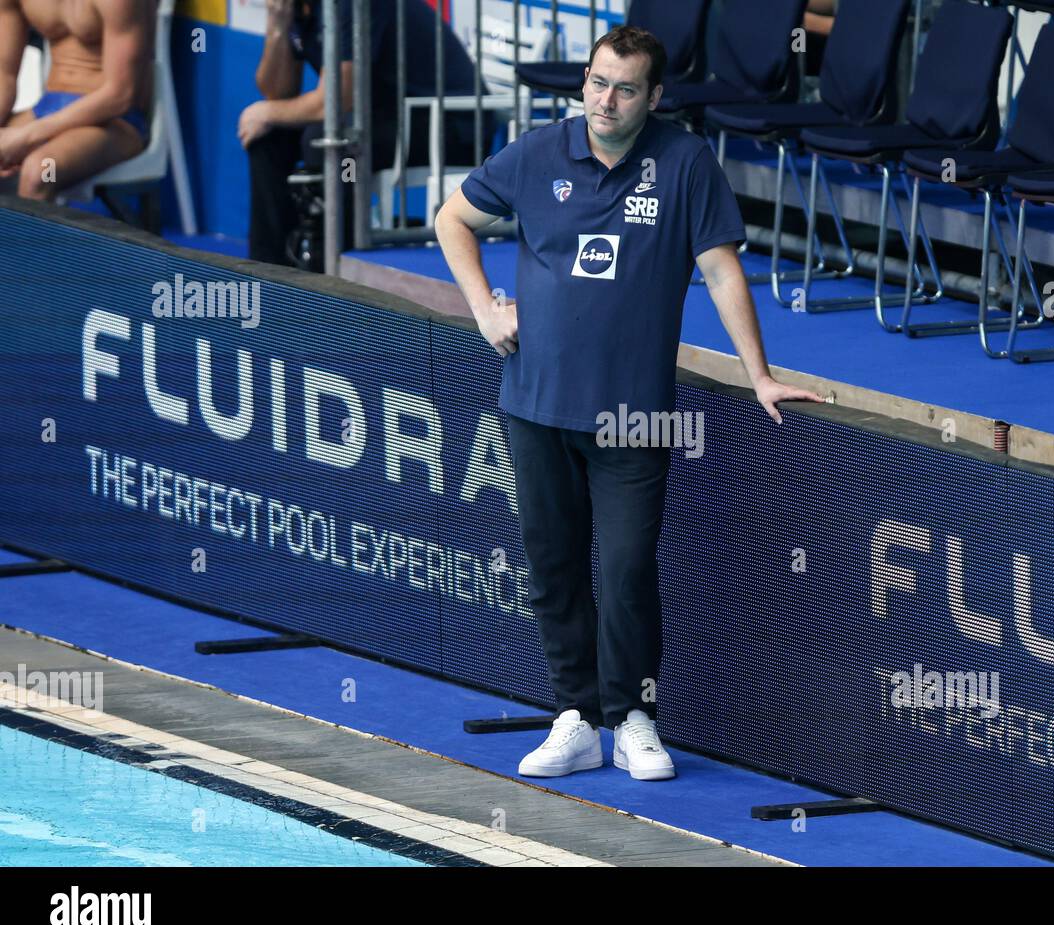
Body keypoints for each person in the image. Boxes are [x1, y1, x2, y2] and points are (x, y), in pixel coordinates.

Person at [434, 25, 823, 782]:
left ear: (655, 97)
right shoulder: (539, 152)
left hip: (633, 414)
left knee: (627, 570)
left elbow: (720, 273)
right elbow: (453, 219)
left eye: (624, 88)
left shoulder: (684, 164)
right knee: (553, 567)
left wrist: (760, 375)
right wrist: (483, 307)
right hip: (534, 404)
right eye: (596, 82)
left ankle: (635, 717)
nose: (605, 101)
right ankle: (576, 717)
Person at [241, 0, 487, 267]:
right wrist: (277, 26)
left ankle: (337, 262)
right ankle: (269, 268)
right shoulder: (298, 7)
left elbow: (336, 100)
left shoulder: (349, 5)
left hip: (451, 123)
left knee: (329, 141)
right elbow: (278, 93)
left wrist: (265, 112)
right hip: (386, 114)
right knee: (269, 135)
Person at [0, 0, 152, 200]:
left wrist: (28, 136)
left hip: (114, 121)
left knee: (42, 172)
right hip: (48, 109)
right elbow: (5, 74)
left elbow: (120, 95)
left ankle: (31, 232)